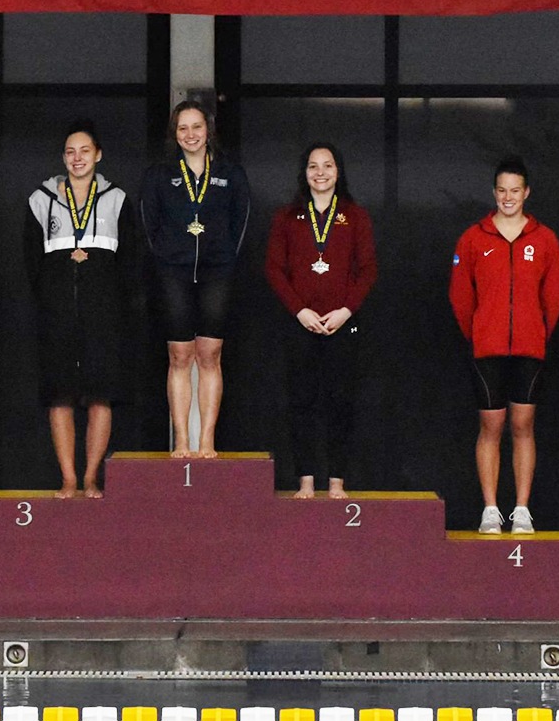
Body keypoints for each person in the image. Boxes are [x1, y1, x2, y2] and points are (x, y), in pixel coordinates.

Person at [23, 120, 140, 499]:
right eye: (71, 152)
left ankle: (91, 477)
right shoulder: (40, 199)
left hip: (103, 313)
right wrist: (55, 286)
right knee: (60, 395)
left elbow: (130, 260)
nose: (78, 158)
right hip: (57, 312)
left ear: (98, 155)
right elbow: (30, 261)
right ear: (63, 158)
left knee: (100, 395)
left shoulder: (117, 199)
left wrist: (111, 297)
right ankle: (68, 479)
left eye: (85, 151)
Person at [448, 156, 559, 534]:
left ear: (526, 192)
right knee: (491, 425)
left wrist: (537, 332)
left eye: (515, 191)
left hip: (530, 348)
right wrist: (480, 330)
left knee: (523, 424)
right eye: (502, 191)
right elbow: (460, 296)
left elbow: (554, 296)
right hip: (487, 347)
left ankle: (522, 509)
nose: (508, 197)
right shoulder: (473, 238)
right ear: (494, 192)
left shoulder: (544, 239)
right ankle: (490, 509)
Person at [264, 143, 377, 499]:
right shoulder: (287, 217)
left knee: (340, 402)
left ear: (338, 171)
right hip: (301, 323)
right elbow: (274, 269)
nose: (321, 173)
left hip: (342, 323)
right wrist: (299, 311)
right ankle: (306, 481)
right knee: (301, 402)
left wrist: (346, 310)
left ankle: (337, 481)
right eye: (313, 166)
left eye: (327, 166)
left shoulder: (355, 216)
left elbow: (368, 269)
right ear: (304, 173)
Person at [139, 100, 252, 459]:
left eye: (197, 127)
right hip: (173, 272)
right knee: (179, 355)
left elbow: (241, 222)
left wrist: (225, 257)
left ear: (209, 130)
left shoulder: (230, 174)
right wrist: (168, 256)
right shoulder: (160, 175)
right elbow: (149, 225)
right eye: (183, 128)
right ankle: (181, 443)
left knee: (210, 354)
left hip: (217, 271)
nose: (190, 135)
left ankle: (206, 442)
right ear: (174, 134)